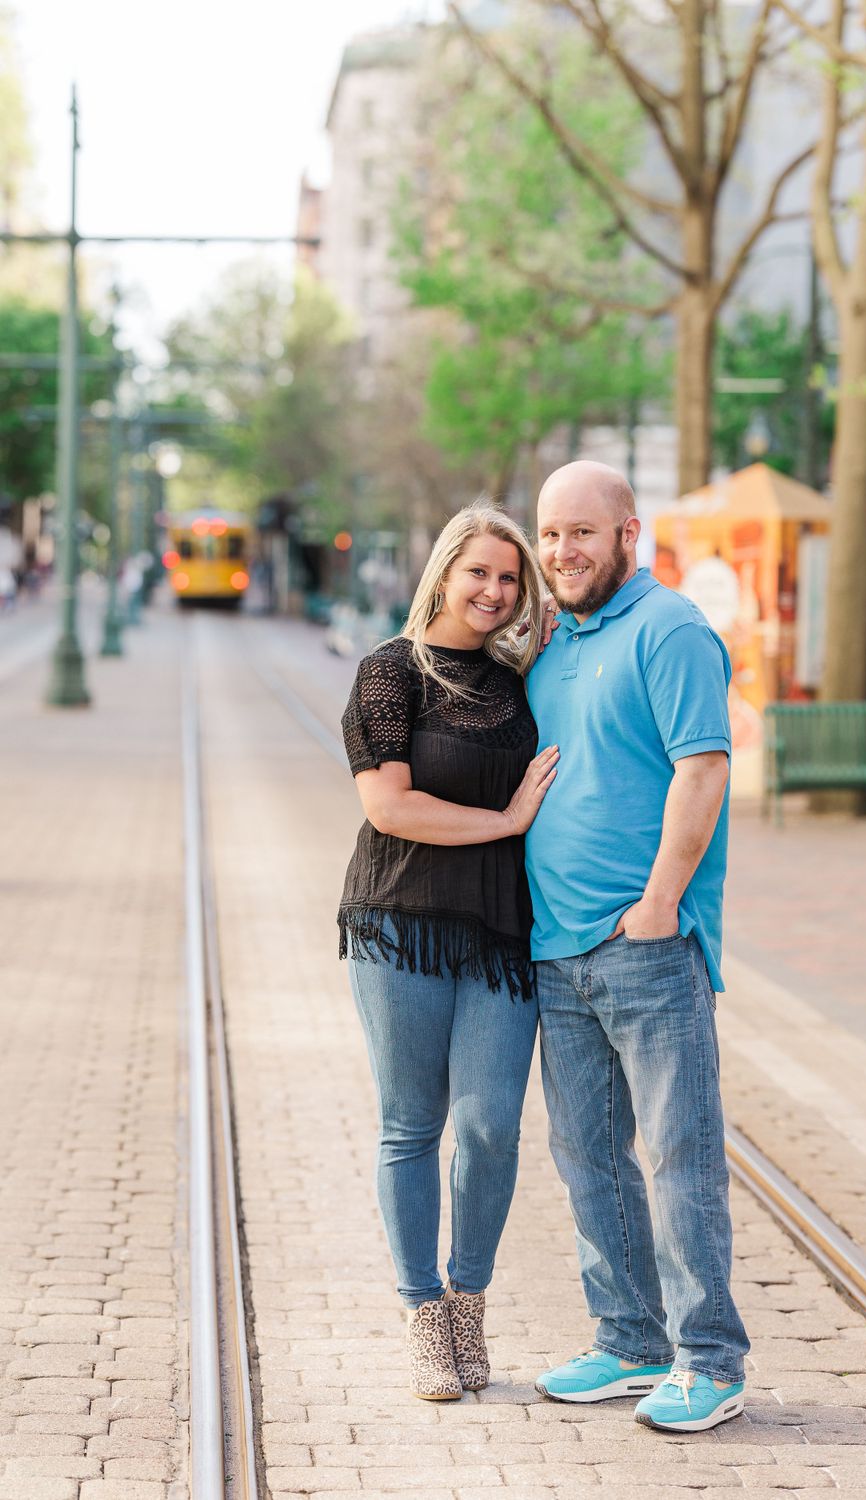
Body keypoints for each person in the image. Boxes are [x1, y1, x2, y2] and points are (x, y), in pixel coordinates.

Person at [526, 460, 750, 1433]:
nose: (562, 551)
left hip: (646, 946)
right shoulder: (553, 642)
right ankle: (628, 1342)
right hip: (555, 948)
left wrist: (660, 904)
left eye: (581, 531)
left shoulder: (670, 629)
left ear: (628, 533)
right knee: (587, 1155)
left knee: (679, 1156)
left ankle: (711, 1362)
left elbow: (703, 768)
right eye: (549, 534)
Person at [338, 500, 558, 1402]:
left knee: (491, 1126)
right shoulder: (390, 673)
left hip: (502, 929)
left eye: (510, 579)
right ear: (444, 574)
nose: (494, 591)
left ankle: (469, 1299)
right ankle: (423, 1311)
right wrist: (505, 820)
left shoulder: (521, 680)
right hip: (403, 923)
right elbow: (388, 807)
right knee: (411, 1124)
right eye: (479, 573)